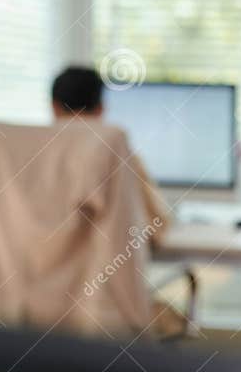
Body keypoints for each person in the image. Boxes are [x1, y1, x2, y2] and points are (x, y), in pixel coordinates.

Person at [51, 66, 171, 243]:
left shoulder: (29, 156)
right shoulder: (116, 153)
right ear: (101, 108)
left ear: (54, 107)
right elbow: (157, 227)